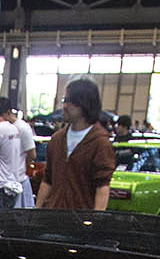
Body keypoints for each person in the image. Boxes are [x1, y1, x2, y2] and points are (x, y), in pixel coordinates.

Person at [38, 79, 114, 211]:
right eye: (65, 101)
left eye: (71, 101)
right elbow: (47, 180)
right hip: (52, 218)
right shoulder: (57, 139)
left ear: (85, 104)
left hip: (81, 221)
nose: (65, 106)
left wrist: (94, 222)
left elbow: (102, 187)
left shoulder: (100, 142)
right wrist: (37, 210)